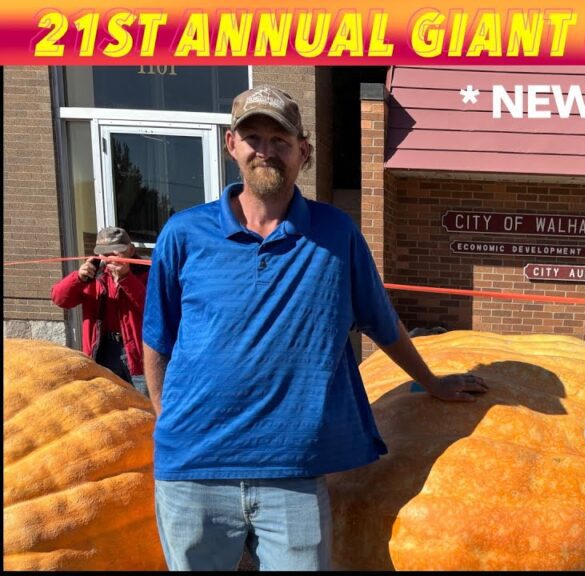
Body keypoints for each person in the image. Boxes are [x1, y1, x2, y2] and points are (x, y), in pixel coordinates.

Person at [142, 85, 488, 571]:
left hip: (294, 472)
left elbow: (381, 322)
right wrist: (166, 419)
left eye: (280, 140)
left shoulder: (335, 233)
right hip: (193, 471)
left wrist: (431, 381)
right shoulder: (183, 234)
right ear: (232, 145)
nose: (266, 150)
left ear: (303, 152)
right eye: (254, 138)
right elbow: (157, 338)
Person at [51, 226, 148, 396]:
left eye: (115, 252)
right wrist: (78, 278)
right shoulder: (94, 274)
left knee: (143, 403)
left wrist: (126, 278)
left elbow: (152, 309)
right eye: (104, 254)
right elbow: (60, 299)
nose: (109, 258)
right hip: (103, 349)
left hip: (137, 352)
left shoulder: (146, 273)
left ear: (130, 250)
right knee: (108, 401)